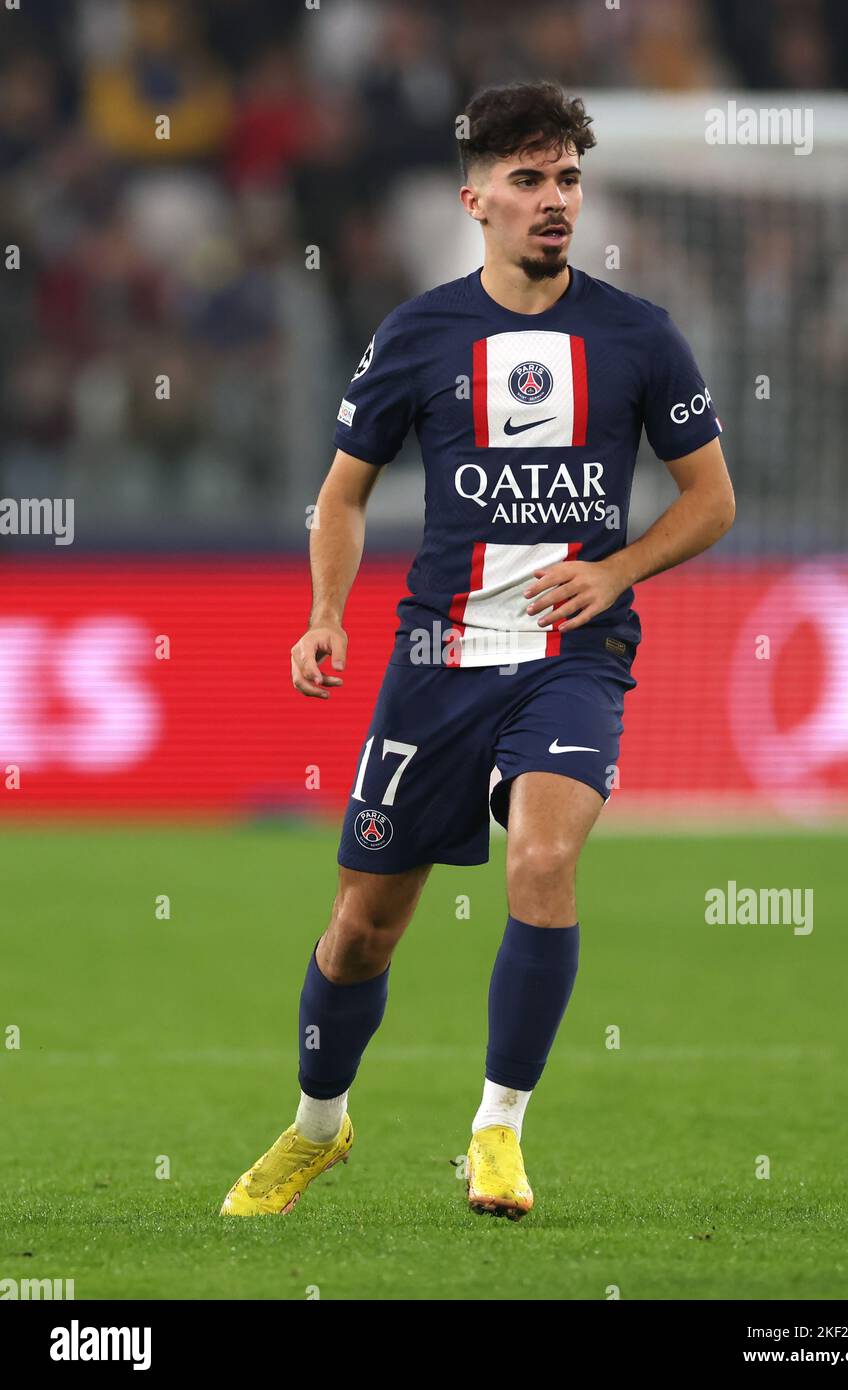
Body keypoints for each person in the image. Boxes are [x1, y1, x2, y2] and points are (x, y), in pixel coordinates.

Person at [222, 80, 734, 1221]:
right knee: (362, 928)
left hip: (573, 652)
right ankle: (318, 1128)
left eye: (565, 181)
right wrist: (324, 614)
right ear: (477, 200)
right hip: (438, 656)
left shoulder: (639, 335)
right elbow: (342, 496)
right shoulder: (418, 334)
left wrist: (614, 569)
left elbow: (711, 501)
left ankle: (497, 1129)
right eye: (527, 181)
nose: (553, 202)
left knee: (542, 864)